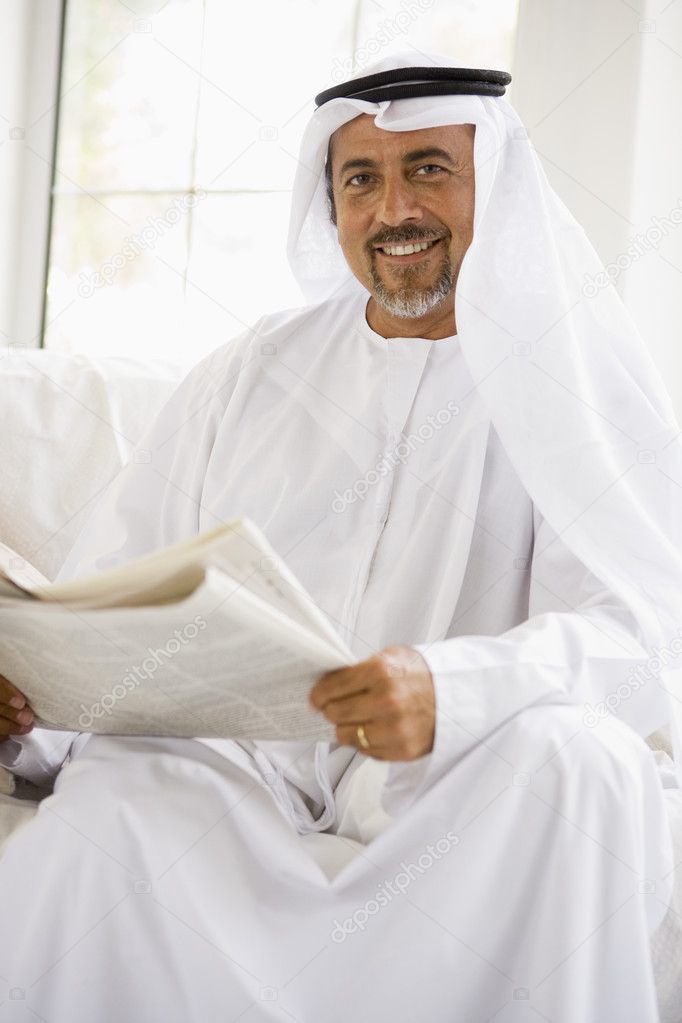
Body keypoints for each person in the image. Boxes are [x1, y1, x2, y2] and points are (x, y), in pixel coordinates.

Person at [0, 53, 680, 1022]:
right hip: (237, 757)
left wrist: (455, 690)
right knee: (115, 800)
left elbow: (637, 637)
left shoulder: (575, 378)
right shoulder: (247, 372)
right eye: (361, 179)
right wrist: (35, 712)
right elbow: (113, 590)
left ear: (501, 186)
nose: (394, 207)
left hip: (459, 765)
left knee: (581, 765)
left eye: (431, 170)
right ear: (331, 207)